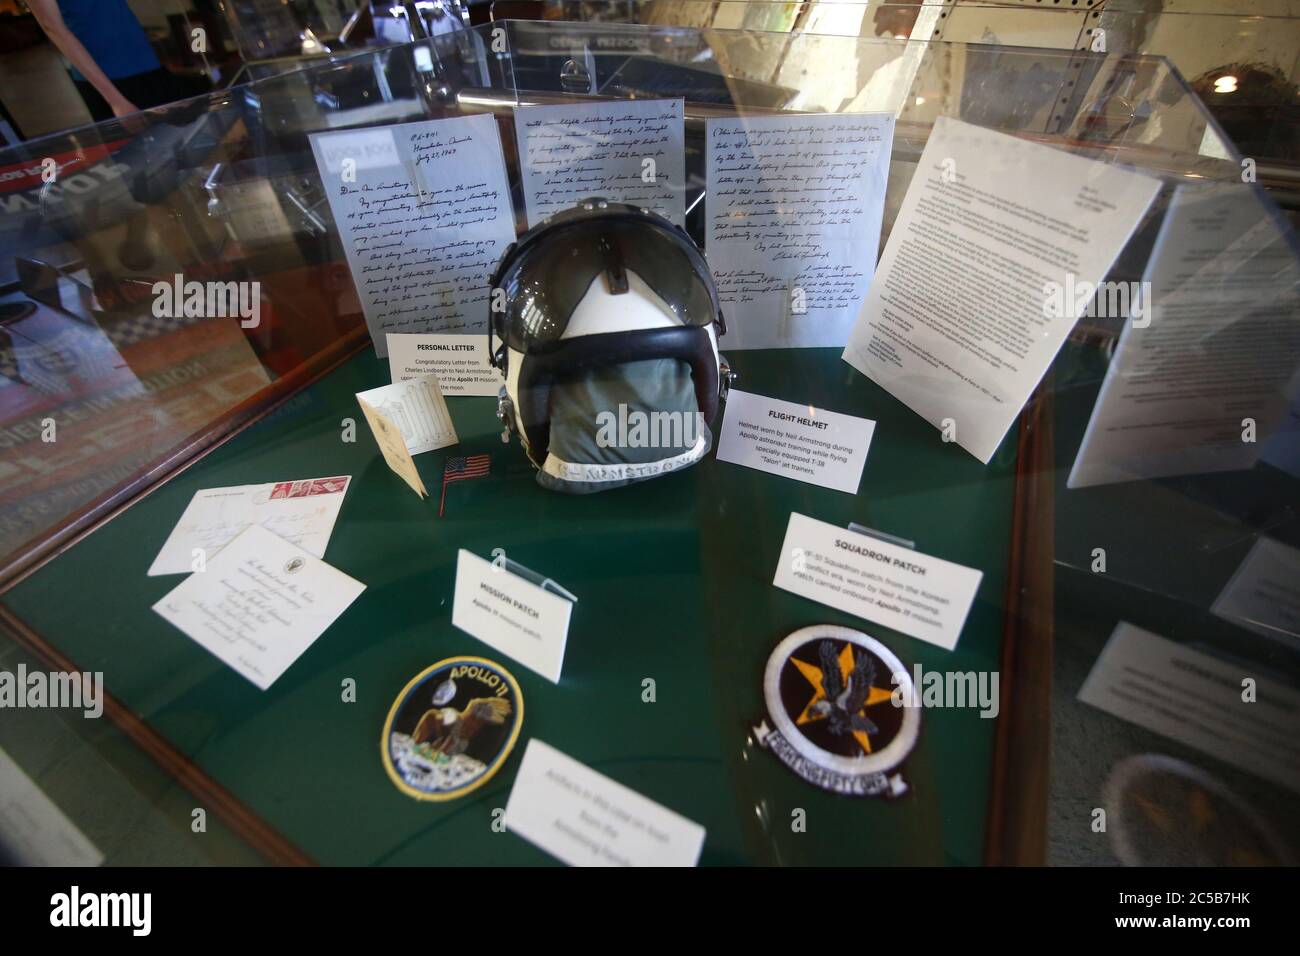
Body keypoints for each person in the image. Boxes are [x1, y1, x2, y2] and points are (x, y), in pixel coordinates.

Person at [28, 0, 200, 122]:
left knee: (186, 135)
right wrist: (115, 100)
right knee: (143, 156)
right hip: (112, 77)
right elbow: (53, 28)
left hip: (146, 62)